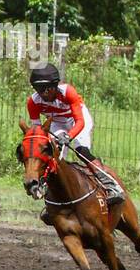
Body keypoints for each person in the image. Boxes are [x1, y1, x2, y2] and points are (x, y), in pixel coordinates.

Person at [26, 63, 124, 203]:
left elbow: (80, 122)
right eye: (39, 90)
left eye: (46, 89)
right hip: (57, 122)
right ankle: (46, 190)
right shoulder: (33, 102)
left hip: (76, 119)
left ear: (55, 86)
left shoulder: (68, 92)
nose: (43, 94)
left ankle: (111, 185)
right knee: (53, 154)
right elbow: (37, 132)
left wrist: (69, 136)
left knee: (81, 151)